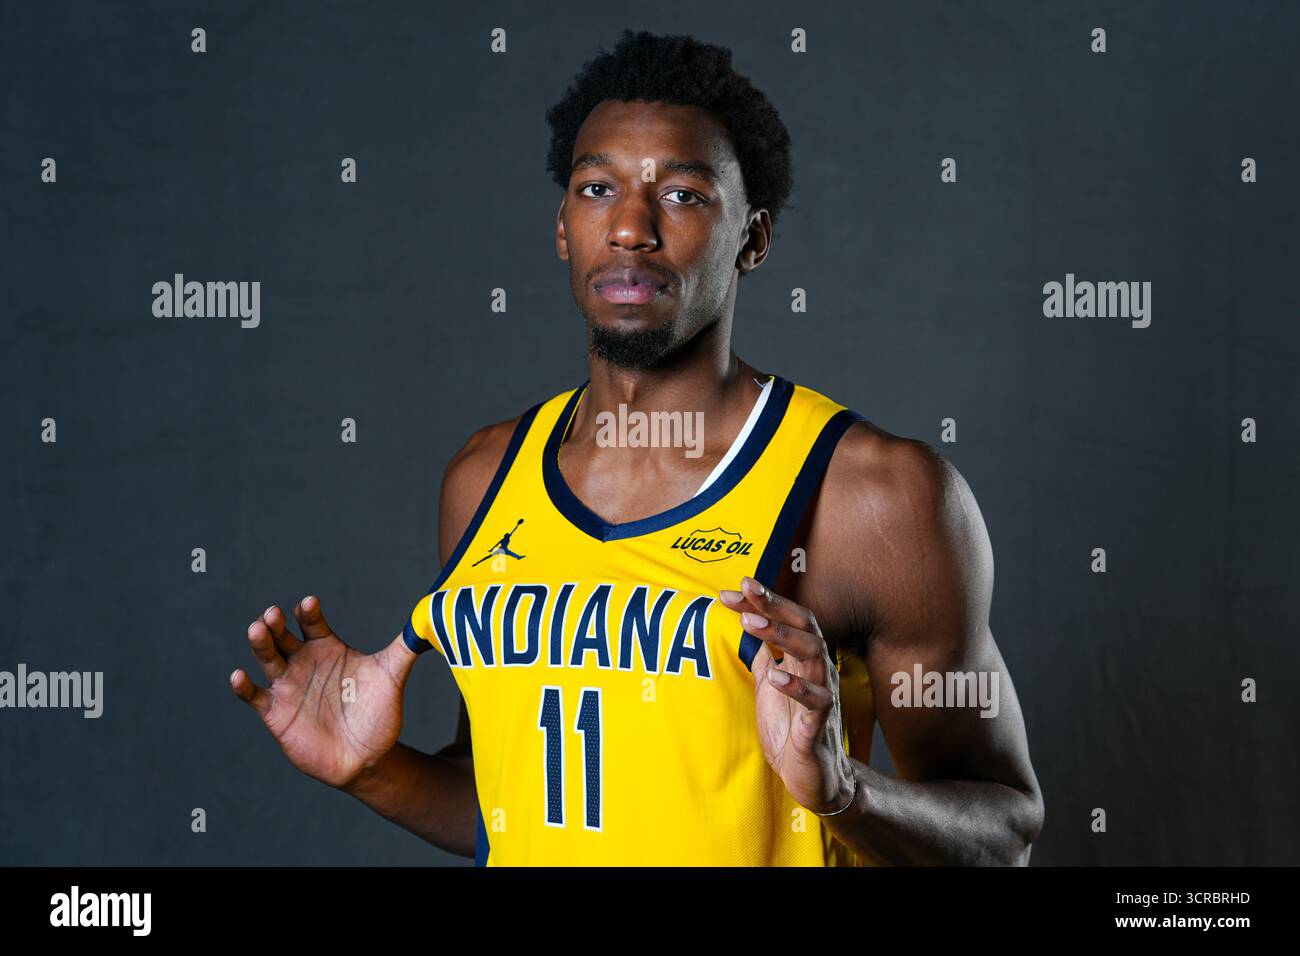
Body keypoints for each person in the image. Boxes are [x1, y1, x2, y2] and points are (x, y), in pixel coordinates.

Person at [231, 30, 1043, 866]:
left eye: (683, 195)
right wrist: (373, 773)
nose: (629, 227)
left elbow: (1004, 833)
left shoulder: (873, 495)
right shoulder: (485, 478)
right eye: (597, 188)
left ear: (753, 239)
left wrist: (841, 789)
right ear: (563, 228)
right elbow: (518, 799)